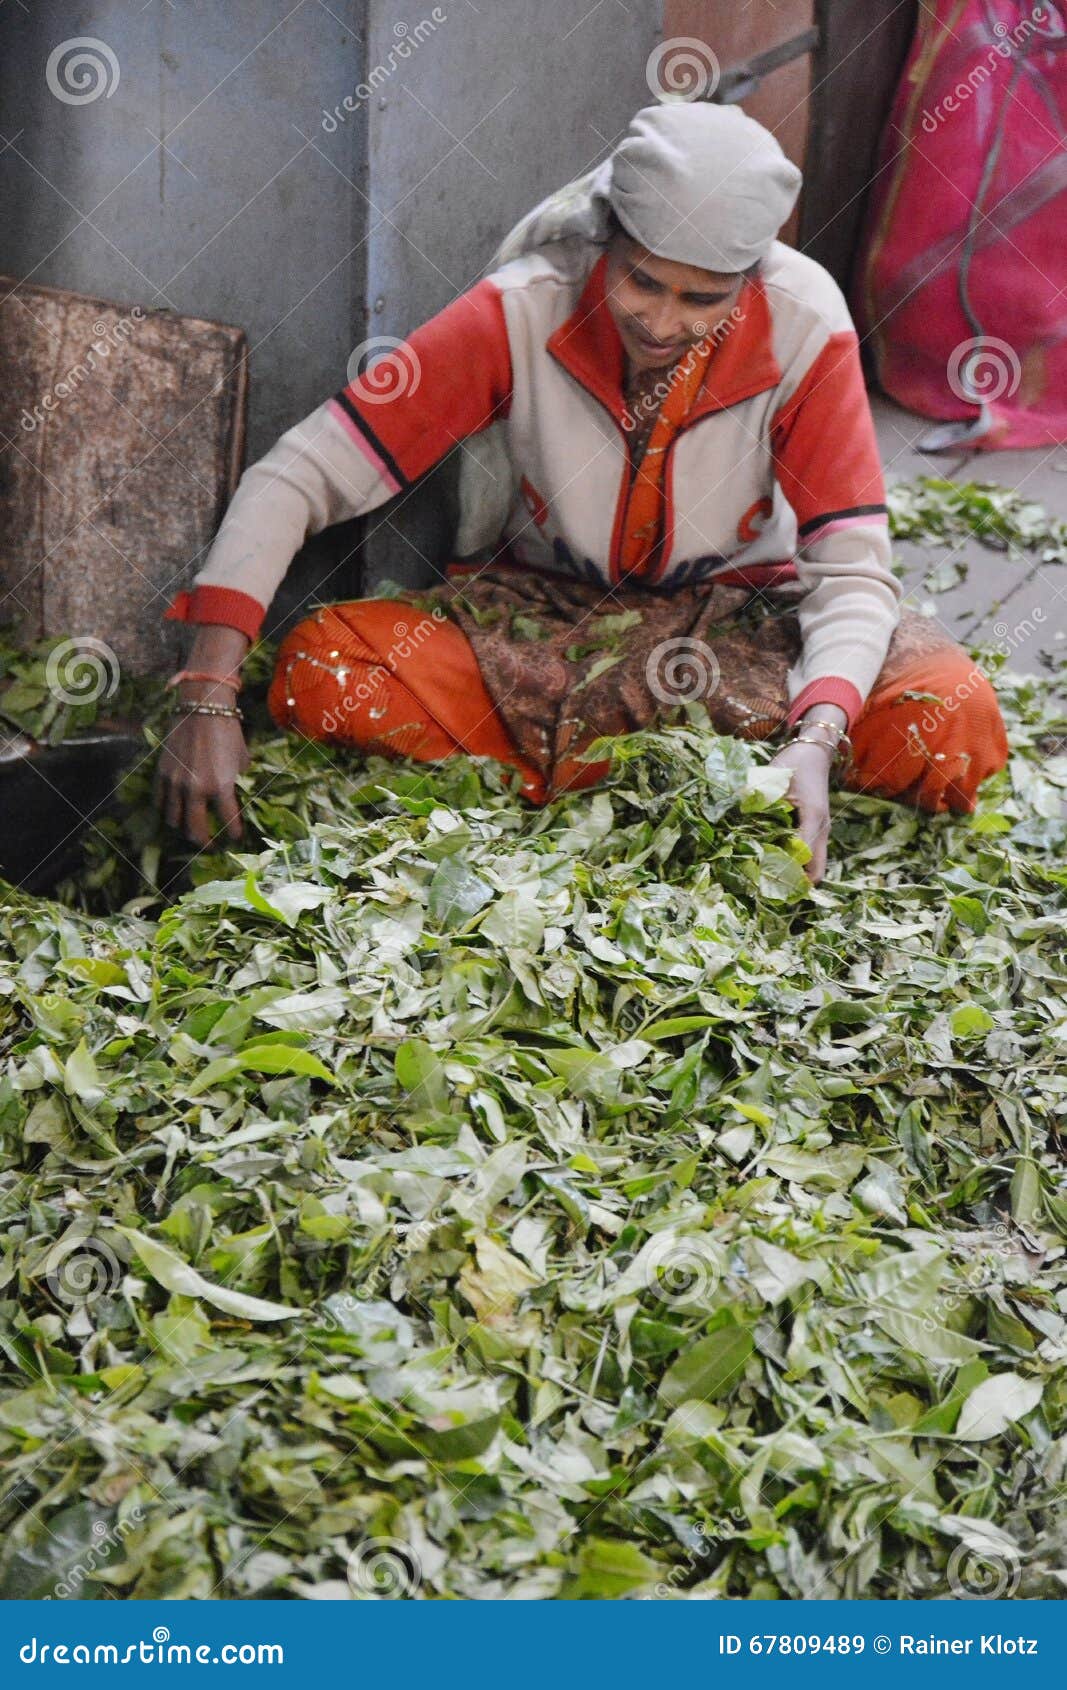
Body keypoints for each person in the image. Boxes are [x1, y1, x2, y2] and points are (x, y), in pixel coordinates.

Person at [157, 102, 1009, 883]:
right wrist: (206, 693)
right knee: (323, 668)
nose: (663, 321)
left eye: (701, 298)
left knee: (950, 717)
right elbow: (298, 473)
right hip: (551, 631)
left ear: (749, 282)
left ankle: (695, 772)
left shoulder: (804, 325)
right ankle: (688, 780)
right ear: (604, 243)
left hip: (746, 632)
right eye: (641, 281)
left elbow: (851, 575)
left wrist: (819, 738)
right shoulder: (522, 308)